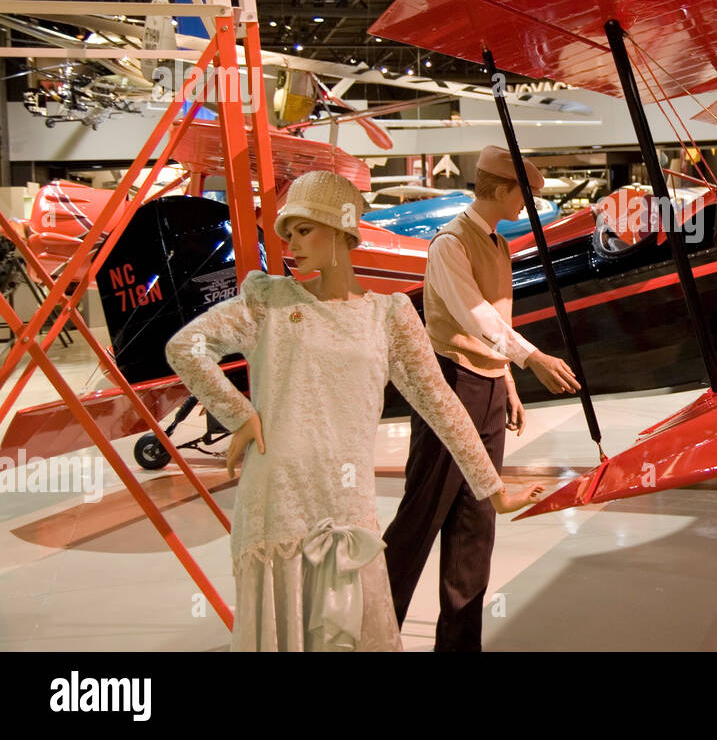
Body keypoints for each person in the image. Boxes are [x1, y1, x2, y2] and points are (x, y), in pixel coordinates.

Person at [164, 170, 544, 651]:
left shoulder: (388, 316)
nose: (292, 244)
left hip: (346, 507)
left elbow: (443, 406)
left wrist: (492, 490)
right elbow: (186, 348)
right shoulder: (270, 302)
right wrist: (238, 413)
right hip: (276, 503)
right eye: (288, 233)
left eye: (304, 229)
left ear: (342, 229)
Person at [383, 145, 579, 651]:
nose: (525, 203)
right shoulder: (451, 243)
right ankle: (371, 632)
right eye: (522, 193)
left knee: (476, 524)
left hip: (485, 385)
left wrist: (506, 382)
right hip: (449, 385)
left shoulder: (498, 245)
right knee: (421, 517)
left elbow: (497, 321)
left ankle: (459, 645)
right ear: (501, 189)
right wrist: (531, 359)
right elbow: (476, 318)